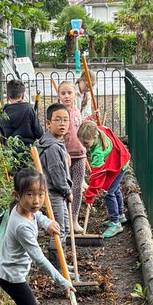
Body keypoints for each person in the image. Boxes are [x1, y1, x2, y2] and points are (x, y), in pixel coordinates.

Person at [0, 169, 72, 305]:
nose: (36, 201)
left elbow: (37, 216)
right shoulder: (21, 226)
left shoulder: (24, 210)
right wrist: (62, 281)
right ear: (17, 195)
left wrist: (47, 223)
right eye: (30, 194)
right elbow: (39, 259)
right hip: (12, 278)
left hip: (9, 273)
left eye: (41, 194)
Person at [78, 120, 131, 239]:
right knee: (115, 188)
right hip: (122, 159)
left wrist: (90, 195)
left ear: (94, 137)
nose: (84, 146)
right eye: (81, 142)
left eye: (86, 143)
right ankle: (120, 214)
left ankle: (115, 223)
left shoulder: (98, 152)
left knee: (108, 192)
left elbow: (97, 178)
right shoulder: (100, 130)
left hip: (119, 164)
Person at [36, 103, 73, 242]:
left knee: (65, 228)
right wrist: (67, 191)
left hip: (57, 191)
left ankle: (60, 255)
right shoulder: (52, 147)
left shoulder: (56, 141)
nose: (62, 123)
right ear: (48, 123)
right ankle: (56, 256)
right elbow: (57, 174)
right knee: (59, 230)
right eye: (57, 120)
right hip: (54, 192)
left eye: (65, 120)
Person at [56, 82, 87, 235]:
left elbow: (79, 129)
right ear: (58, 96)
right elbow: (58, 136)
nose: (67, 96)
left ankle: (74, 220)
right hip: (66, 156)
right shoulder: (59, 114)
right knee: (65, 188)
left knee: (77, 188)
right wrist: (64, 153)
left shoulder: (76, 111)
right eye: (63, 93)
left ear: (75, 94)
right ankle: (65, 220)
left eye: (69, 93)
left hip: (80, 154)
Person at [0, 79, 42, 168]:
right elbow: (39, 133)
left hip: (10, 154)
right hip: (28, 153)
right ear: (22, 96)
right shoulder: (28, 109)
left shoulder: (2, 112)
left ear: (7, 97)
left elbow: (1, 135)